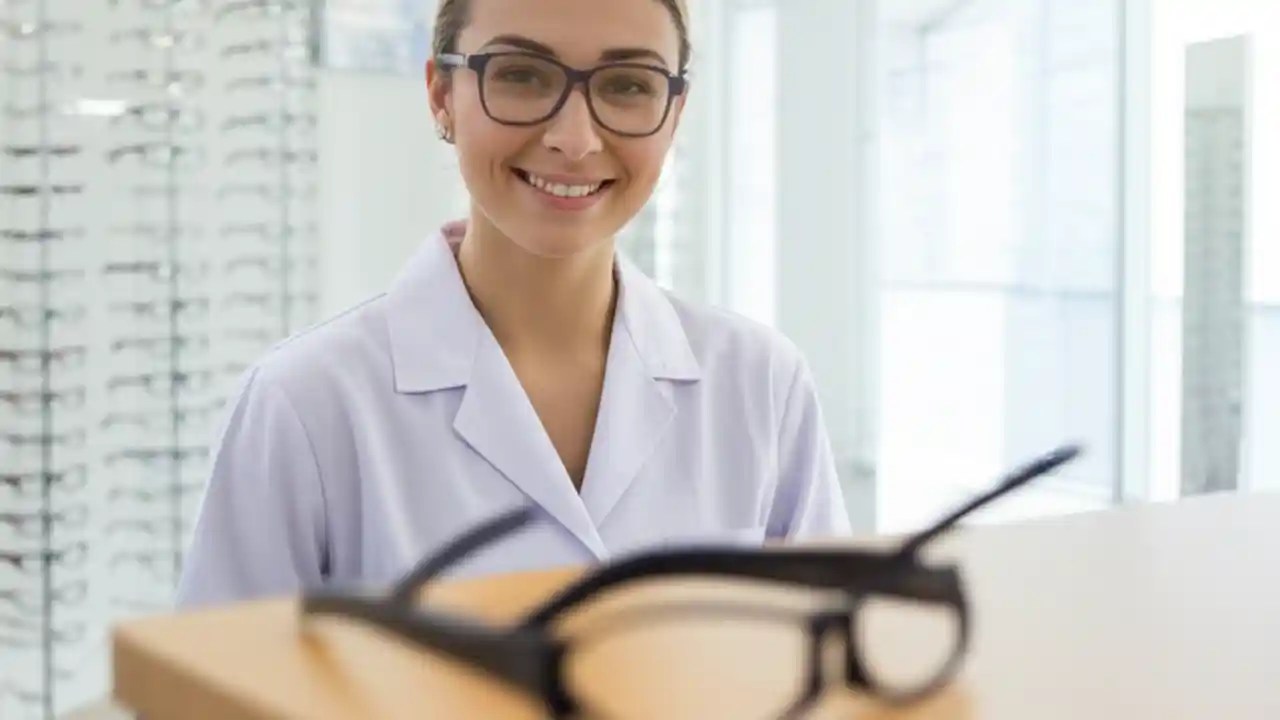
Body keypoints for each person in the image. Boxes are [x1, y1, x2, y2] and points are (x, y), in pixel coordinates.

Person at [176, 0, 850, 608]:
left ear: (674, 114)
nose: (575, 139)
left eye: (628, 86)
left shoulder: (761, 383)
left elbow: (830, 674)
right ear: (442, 94)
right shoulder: (305, 403)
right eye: (522, 75)